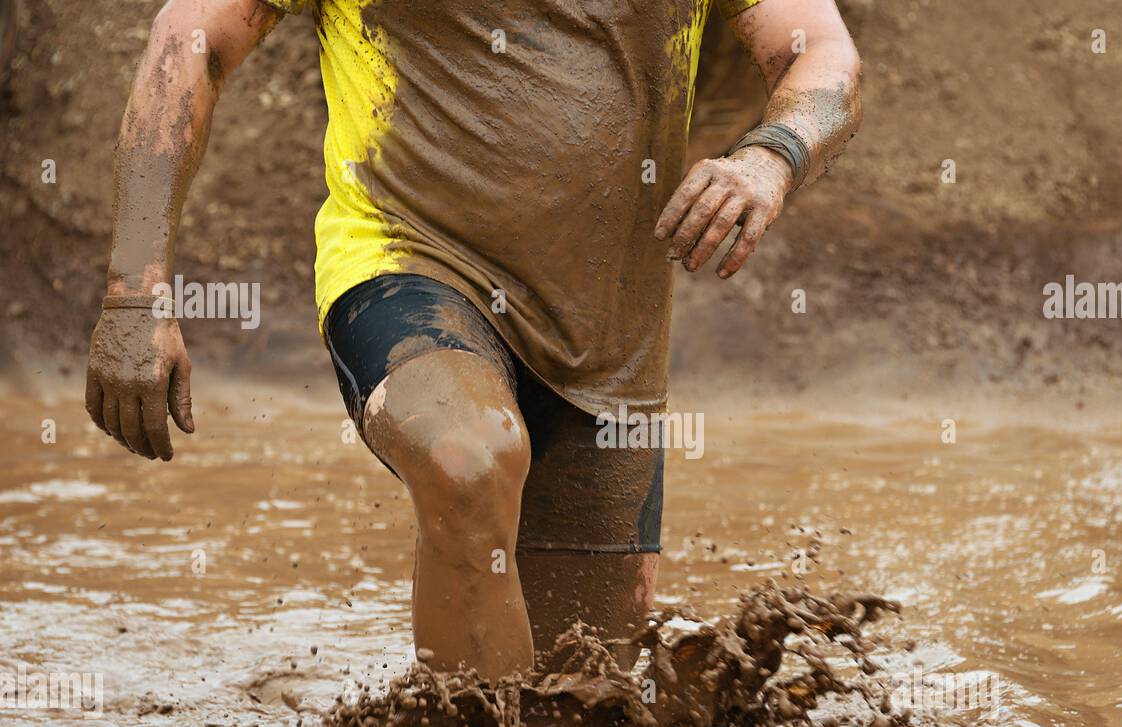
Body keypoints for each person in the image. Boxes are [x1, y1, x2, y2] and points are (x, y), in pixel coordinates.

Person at [84, 0, 862, 679]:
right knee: (470, 459)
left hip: (608, 341)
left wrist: (771, 157)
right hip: (408, 262)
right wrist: (132, 291)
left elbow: (821, 50)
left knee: (593, 710)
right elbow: (194, 35)